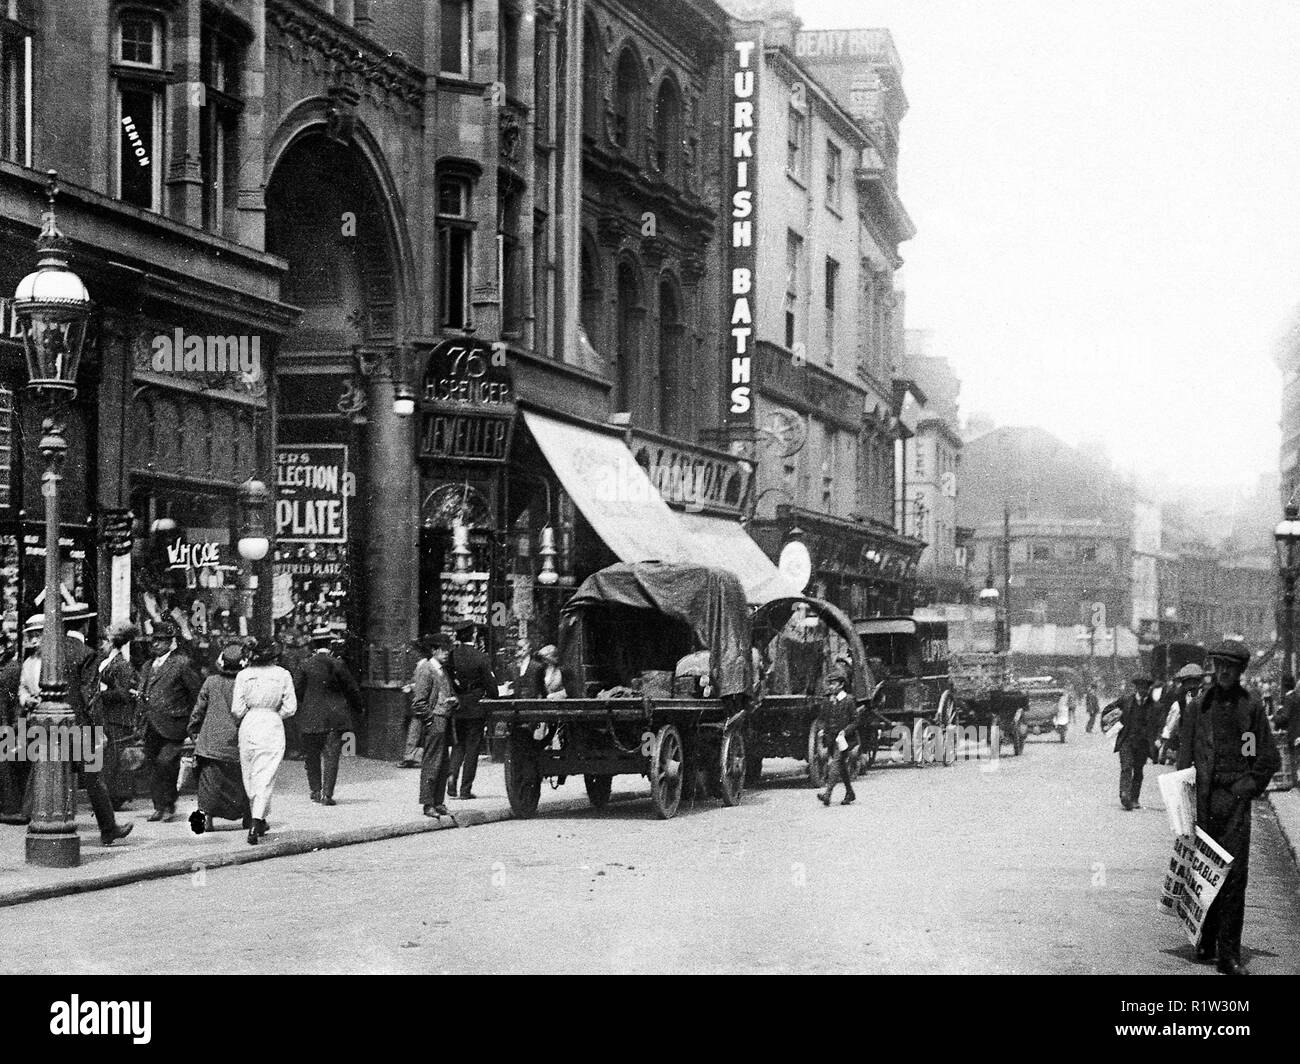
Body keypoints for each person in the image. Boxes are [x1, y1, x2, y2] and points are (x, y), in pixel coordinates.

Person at [1176, 640, 1280, 975]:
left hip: (1233, 802)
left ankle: (1228, 955)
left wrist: (1245, 788)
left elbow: (1263, 757)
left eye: (1230, 668)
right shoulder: (1198, 706)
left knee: (1233, 877)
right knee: (1203, 873)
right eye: (1218, 665)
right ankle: (1205, 938)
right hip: (1203, 800)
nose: (1223, 672)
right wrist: (1183, 800)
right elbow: (1185, 757)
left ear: (1239, 671)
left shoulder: (1249, 707)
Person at [27, 609, 133, 846]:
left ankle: (42, 824)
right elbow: (90, 697)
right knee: (94, 778)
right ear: (85, 626)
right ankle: (108, 828)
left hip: (49, 721)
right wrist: (99, 729)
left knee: (50, 774)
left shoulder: (49, 650)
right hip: (80, 725)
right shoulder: (86, 653)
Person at [231, 637, 298, 844]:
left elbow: (237, 709)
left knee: (249, 773)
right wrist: (276, 713)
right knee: (267, 773)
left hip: (249, 724)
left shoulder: (243, 675)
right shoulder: (283, 675)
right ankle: (257, 821)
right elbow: (291, 708)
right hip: (272, 724)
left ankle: (257, 818)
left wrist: (249, 712)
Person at [137, 621, 202, 823]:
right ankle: (159, 806)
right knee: (151, 765)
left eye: (161, 640)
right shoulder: (148, 666)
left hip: (174, 723)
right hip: (150, 724)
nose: (156, 644)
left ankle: (169, 803)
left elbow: (196, 693)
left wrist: (192, 722)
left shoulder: (181, 663)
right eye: (153, 640)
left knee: (166, 763)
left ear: (171, 642)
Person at [186, 644, 251, 834]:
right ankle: (248, 817)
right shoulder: (246, 683)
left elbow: (198, 711)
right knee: (243, 781)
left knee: (208, 783)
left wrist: (193, 731)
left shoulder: (211, 682)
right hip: (239, 741)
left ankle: (204, 820)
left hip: (211, 742)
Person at [295, 628, 363, 805]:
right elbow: (351, 689)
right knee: (331, 756)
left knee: (312, 757)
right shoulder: (338, 664)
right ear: (329, 643)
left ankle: (315, 790)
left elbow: (298, 691)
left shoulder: (305, 664)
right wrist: (358, 708)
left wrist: (308, 705)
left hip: (310, 718)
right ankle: (327, 794)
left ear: (314, 644)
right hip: (334, 719)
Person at [446, 619, 499, 800]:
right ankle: (465, 789)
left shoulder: (452, 656)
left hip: (458, 705)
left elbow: (448, 678)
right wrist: (494, 696)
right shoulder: (481, 657)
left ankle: (452, 776)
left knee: (458, 744)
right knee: (473, 748)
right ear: (474, 635)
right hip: (476, 706)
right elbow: (491, 685)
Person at [96, 621, 139, 809]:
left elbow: (123, 694)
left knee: (115, 758)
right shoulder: (107, 662)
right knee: (108, 758)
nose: (101, 646)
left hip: (117, 718)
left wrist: (100, 695)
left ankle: (116, 797)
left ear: (111, 643)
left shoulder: (122, 665)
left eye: (104, 642)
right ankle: (109, 795)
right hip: (107, 716)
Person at [0, 620, 38, 824]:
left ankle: (12, 806)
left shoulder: (13, 667)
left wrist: (12, 725)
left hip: (10, 722)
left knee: (8, 765)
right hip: (9, 721)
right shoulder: (16, 666)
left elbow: (12, 700)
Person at [1109, 674, 1161, 810]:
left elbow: (1158, 724)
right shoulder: (1126, 701)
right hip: (1127, 740)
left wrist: (1157, 740)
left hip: (1143, 743)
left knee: (1138, 770)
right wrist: (1111, 726)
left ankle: (1134, 798)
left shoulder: (1154, 706)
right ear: (1136, 687)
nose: (1143, 690)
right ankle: (1125, 794)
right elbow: (1109, 711)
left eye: (1145, 687)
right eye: (1140, 687)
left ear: (1149, 689)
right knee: (1126, 767)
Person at [418, 633, 457, 818]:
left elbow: (449, 692)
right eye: (442, 649)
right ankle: (428, 804)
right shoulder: (427, 670)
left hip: (445, 720)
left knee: (443, 763)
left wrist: (454, 700)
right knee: (432, 763)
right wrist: (430, 720)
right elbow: (419, 702)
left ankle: (439, 802)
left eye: (447, 649)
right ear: (433, 650)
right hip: (436, 721)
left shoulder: (443, 670)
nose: (446, 652)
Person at [817, 668, 859, 807]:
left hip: (845, 740)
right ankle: (850, 792)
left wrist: (845, 732)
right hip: (831, 739)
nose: (831, 686)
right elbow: (822, 719)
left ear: (841, 685)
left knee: (835, 763)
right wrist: (822, 730)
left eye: (834, 684)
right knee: (841, 767)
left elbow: (855, 721)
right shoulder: (828, 701)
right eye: (830, 684)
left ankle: (827, 794)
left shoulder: (849, 701)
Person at [1157, 663, 1204, 765]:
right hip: (1185, 749)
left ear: (1199, 682)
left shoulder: (1207, 701)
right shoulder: (1179, 705)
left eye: (1194, 682)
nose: (1191, 686)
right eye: (1188, 682)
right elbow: (1170, 727)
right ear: (1184, 684)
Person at [398, 638, 435, 768]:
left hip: (420, 703)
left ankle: (411, 757)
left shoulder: (423, 666)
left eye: (411, 650)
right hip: (420, 703)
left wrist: (412, 687)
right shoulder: (423, 665)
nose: (409, 653)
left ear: (418, 652)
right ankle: (412, 757)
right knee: (416, 731)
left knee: (415, 731)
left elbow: (423, 685)